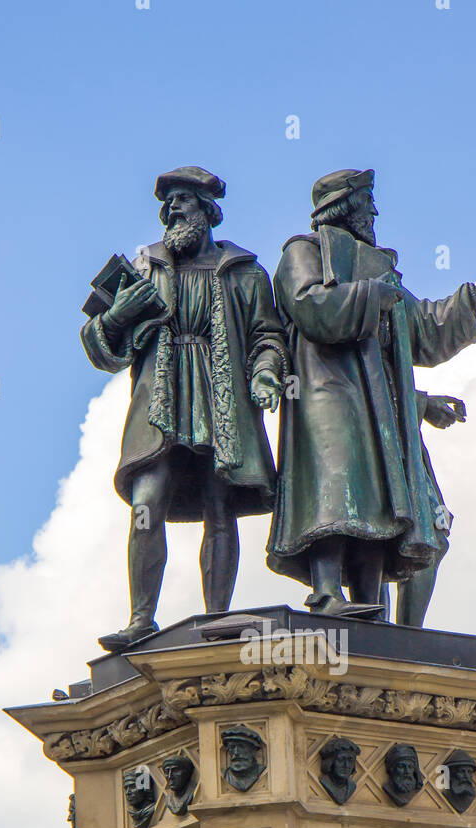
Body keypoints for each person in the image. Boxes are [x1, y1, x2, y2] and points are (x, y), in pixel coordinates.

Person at [268, 168, 476, 619]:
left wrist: (471, 300)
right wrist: (370, 296)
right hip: (326, 392)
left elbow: (421, 329)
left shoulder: (381, 269)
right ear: (342, 206)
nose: (374, 211)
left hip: (377, 406)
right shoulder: (303, 251)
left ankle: (369, 606)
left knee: (379, 503)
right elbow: (309, 307)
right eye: (366, 202)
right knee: (335, 489)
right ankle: (326, 594)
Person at [81, 167, 289, 651]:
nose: (172, 209)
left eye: (183, 201)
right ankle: (140, 618)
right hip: (160, 401)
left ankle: (217, 616)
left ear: (207, 210)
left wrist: (265, 371)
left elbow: (267, 335)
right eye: (168, 203)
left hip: (222, 403)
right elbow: (97, 343)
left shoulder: (245, 273)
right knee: (145, 504)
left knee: (221, 507)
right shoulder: (143, 269)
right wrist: (118, 314)